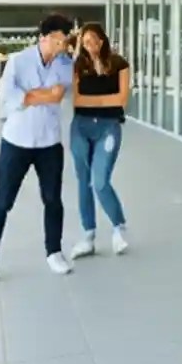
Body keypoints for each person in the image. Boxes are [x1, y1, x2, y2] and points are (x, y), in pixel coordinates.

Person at [0, 14, 76, 284]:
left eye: (65, 40)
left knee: (53, 200)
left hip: (49, 144)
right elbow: (9, 97)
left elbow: (61, 94)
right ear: (43, 37)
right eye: (58, 39)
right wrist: (42, 96)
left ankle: (54, 252)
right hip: (16, 142)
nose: (61, 45)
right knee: (2, 201)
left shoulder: (66, 65)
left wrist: (33, 95)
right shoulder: (18, 61)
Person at [67, 22, 132, 259]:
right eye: (84, 42)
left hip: (109, 128)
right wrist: (107, 100)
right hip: (81, 128)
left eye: (92, 40)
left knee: (100, 181)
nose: (89, 45)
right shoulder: (78, 66)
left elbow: (122, 99)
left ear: (102, 40)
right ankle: (88, 236)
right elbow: (77, 101)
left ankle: (118, 228)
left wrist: (95, 101)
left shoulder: (119, 64)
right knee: (83, 181)